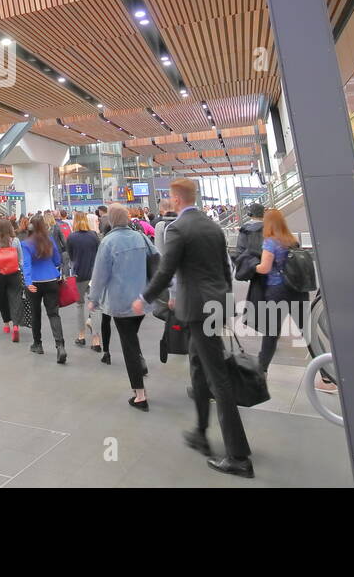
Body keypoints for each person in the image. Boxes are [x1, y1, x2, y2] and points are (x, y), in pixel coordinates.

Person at [137, 178, 252, 478]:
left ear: (176, 199)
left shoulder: (178, 228)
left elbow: (166, 270)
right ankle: (201, 433)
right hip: (214, 306)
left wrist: (145, 297)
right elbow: (227, 269)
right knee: (199, 370)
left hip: (197, 310)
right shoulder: (212, 227)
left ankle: (239, 456)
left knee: (218, 378)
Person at [89, 204, 152, 410]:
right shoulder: (141, 238)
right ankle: (140, 363)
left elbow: (99, 276)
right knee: (131, 338)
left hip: (120, 302)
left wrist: (94, 298)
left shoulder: (108, 242)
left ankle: (140, 395)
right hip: (142, 300)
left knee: (129, 346)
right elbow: (158, 259)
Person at [250, 208, 309, 376]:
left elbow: (265, 268)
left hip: (277, 292)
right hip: (298, 290)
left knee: (271, 332)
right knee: (306, 329)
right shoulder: (293, 239)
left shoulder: (270, 242)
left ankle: (261, 370)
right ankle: (326, 371)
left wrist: (251, 266)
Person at [23, 215, 68, 363]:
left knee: (36, 313)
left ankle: (38, 344)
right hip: (51, 280)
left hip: (35, 282)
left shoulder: (26, 244)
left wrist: (28, 282)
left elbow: (27, 265)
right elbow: (57, 259)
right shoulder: (49, 240)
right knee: (54, 314)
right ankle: (60, 346)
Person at [0, 217, 30, 342]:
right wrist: (23, 272)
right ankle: (15, 325)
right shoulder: (15, 241)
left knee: (1, 299)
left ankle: (6, 323)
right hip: (14, 273)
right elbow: (21, 259)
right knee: (16, 298)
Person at [67, 211, 101, 347]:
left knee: (79, 305)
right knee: (95, 307)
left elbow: (71, 257)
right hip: (93, 275)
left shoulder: (71, 237)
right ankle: (96, 340)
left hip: (79, 276)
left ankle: (81, 336)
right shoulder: (94, 236)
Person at [233, 202, 265, 278]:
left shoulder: (244, 229)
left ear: (250, 214)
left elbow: (240, 248)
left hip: (250, 265)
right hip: (267, 264)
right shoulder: (269, 227)